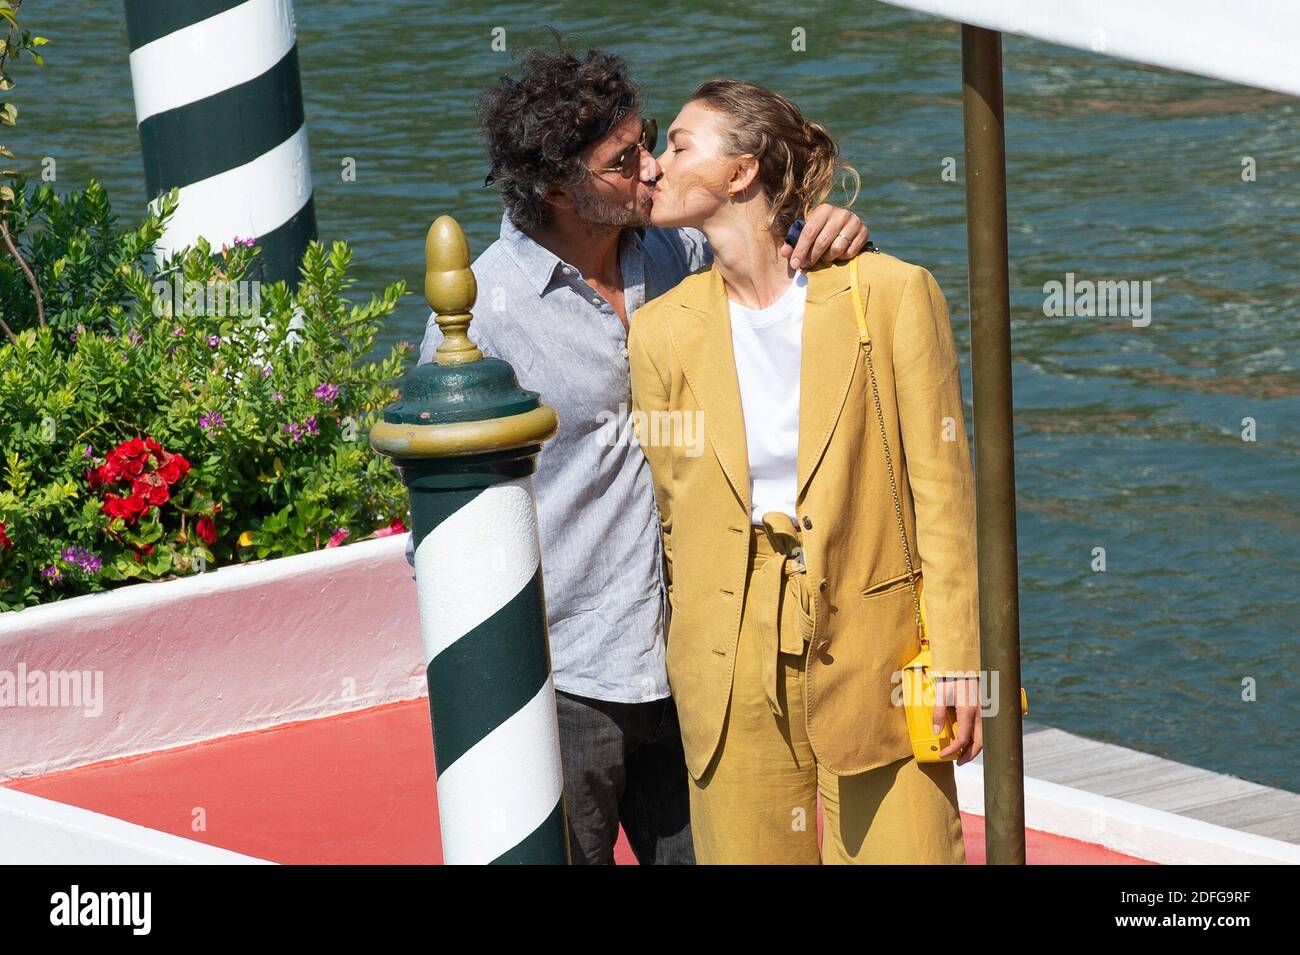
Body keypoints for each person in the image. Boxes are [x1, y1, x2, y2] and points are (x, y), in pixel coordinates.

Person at [412, 38, 871, 865]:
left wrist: (823, 231)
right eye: (625, 161)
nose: (653, 169)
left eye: (650, 139)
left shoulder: (676, 251)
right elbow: (441, 531)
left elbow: (766, 256)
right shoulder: (486, 322)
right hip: (570, 679)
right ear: (560, 187)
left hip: (693, 657)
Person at [627, 78, 984, 864]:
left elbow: (946, 498)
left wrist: (960, 658)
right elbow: (671, 510)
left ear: (742, 171)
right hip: (727, 657)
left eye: (679, 145)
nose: (654, 164)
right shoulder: (658, 333)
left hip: (878, 646)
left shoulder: (888, 294)